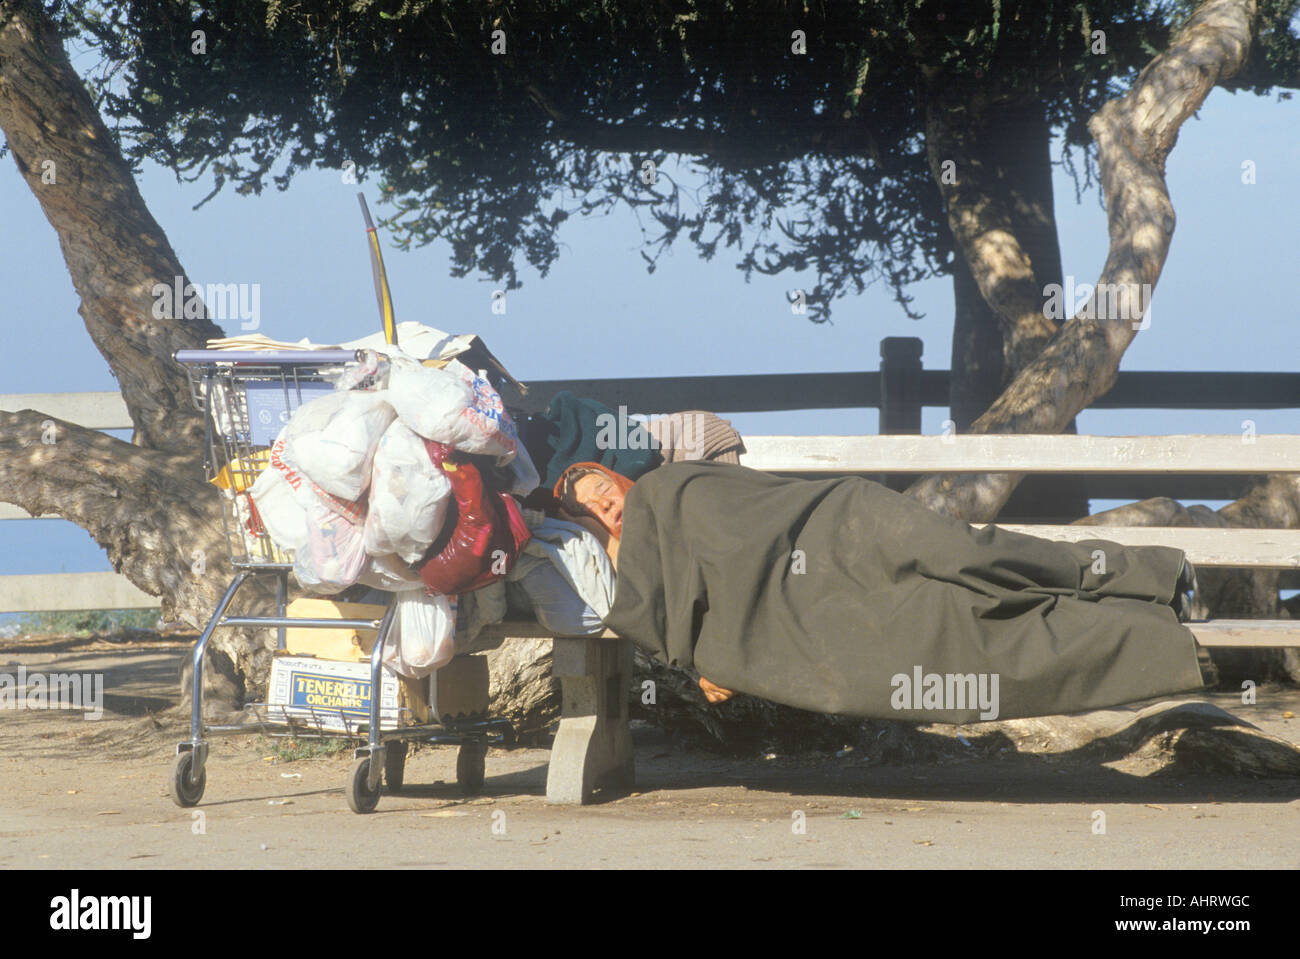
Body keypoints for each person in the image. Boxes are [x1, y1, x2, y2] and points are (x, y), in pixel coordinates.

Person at [553, 459, 1207, 721]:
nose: (609, 509)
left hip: (854, 522)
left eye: (606, 493)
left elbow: (741, 525)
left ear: (620, 476)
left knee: (986, 555)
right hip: (823, 604)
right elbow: (668, 611)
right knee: (979, 630)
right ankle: (1161, 642)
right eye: (595, 512)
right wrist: (700, 657)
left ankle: (1160, 575)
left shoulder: (674, 486)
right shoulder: (634, 566)